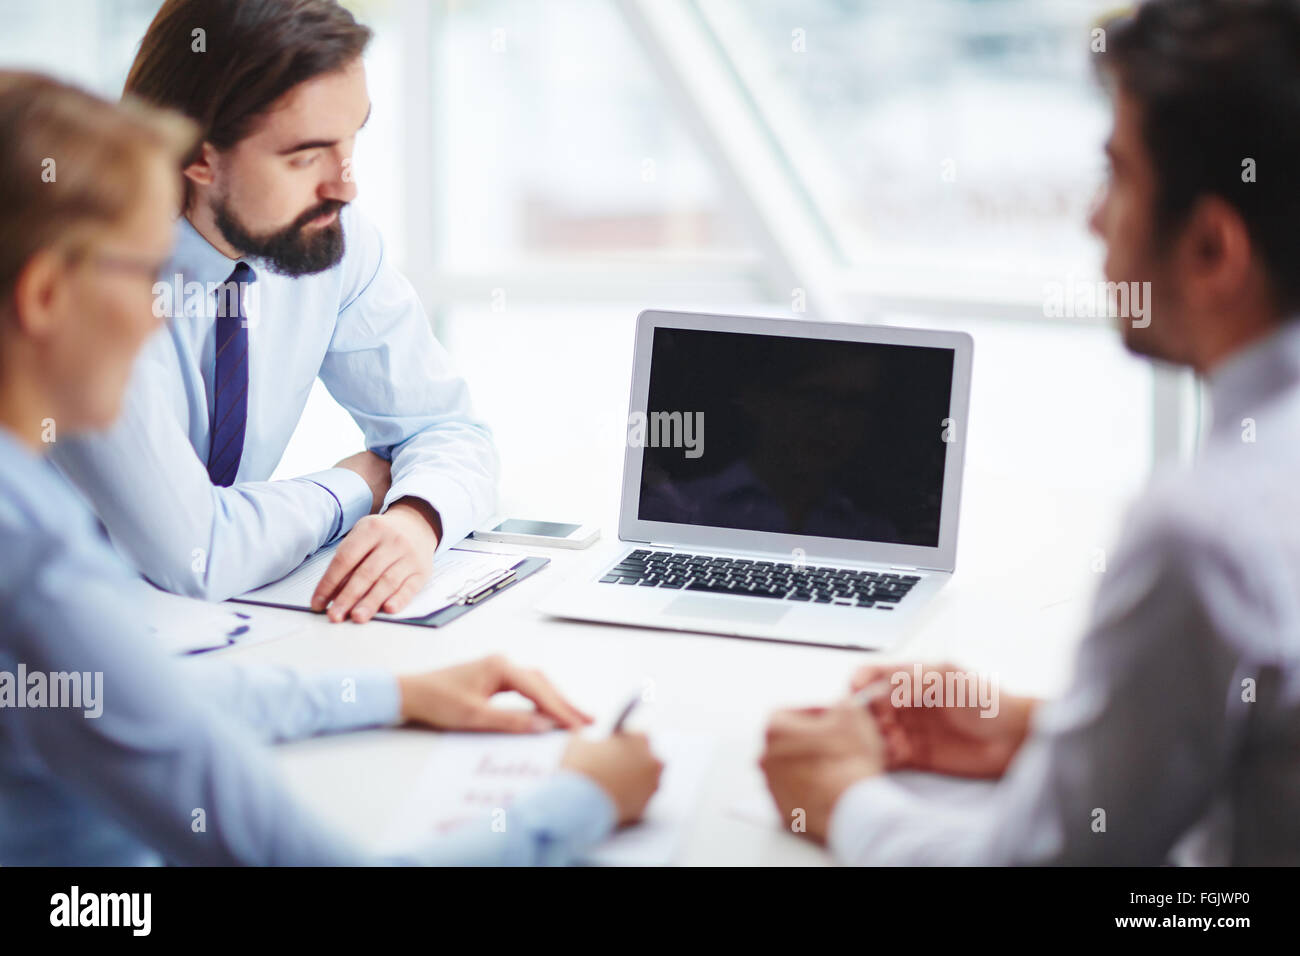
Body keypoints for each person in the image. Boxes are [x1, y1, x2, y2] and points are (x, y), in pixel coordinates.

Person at [0, 72, 661, 866]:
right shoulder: (34, 554)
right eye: (144, 273)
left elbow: (132, 697)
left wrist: (393, 693)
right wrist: (584, 796)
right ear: (43, 295)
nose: (160, 309)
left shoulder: (26, 506)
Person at [760, 0, 1300, 865]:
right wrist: (1037, 736)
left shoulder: (1208, 530)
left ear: (1211, 251)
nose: (1093, 218)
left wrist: (842, 799)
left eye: (1117, 175)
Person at [51, 0, 495, 624]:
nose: (346, 185)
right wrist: (358, 486)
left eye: (353, 138)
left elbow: (450, 430)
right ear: (196, 157)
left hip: (207, 633)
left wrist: (415, 518)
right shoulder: (92, 280)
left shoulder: (329, 239)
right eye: (305, 155)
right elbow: (198, 554)